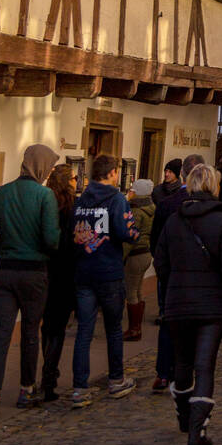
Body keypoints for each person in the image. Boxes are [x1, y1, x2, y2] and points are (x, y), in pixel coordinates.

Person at [155, 164, 222, 445]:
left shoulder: (174, 219)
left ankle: (184, 416)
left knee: (182, 362)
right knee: (205, 365)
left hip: (178, 302)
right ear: (214, 186)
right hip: (212, 305)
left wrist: (171, 288)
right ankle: (197, 432)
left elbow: (161, 262)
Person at [0, 144, 60, 420]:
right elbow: (50, 239)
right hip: (34, 272)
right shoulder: (45, 195)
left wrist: (2, 245)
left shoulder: (2, 192)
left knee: (1, 334)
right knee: (30, 333)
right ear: (42, 166)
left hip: (5, 271)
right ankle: (25, 389)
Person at [71, 154, 138, 408]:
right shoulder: (117, 199)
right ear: (111, 173)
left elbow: (73, 233)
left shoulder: (81, 200)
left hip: (84, 271)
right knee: (112, 329)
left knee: (84, 332)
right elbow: (126, 232)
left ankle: (79, 388)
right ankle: (116, 380)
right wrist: (134, 232)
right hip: (109, 271)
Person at [149, 153, 204, 392]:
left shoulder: (166, 204)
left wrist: (163, 271)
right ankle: (189, 370)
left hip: (170, 273)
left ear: (182, 174)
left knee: (168, 319)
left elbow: (155, 244)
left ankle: (164, 372)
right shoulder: (212, 208)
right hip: (199, 276)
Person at [40, 163, 78, 401]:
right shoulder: (73, 207)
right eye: (74, 177)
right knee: (58, 327)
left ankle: (47, 372)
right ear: (68, 181)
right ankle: (49, 376)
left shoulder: (46, 203)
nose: (76, 180)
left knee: (47, 325)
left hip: (45, 268)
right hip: (66, 271)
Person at [123, 179, 155, 341]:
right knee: (139, 289)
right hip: (146, 253)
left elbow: (130, 236)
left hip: (135, 254)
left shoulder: (136, 210)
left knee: (131, 292)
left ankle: (134, 329)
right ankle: (137, 326)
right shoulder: (151, 208)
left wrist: (121, 256)